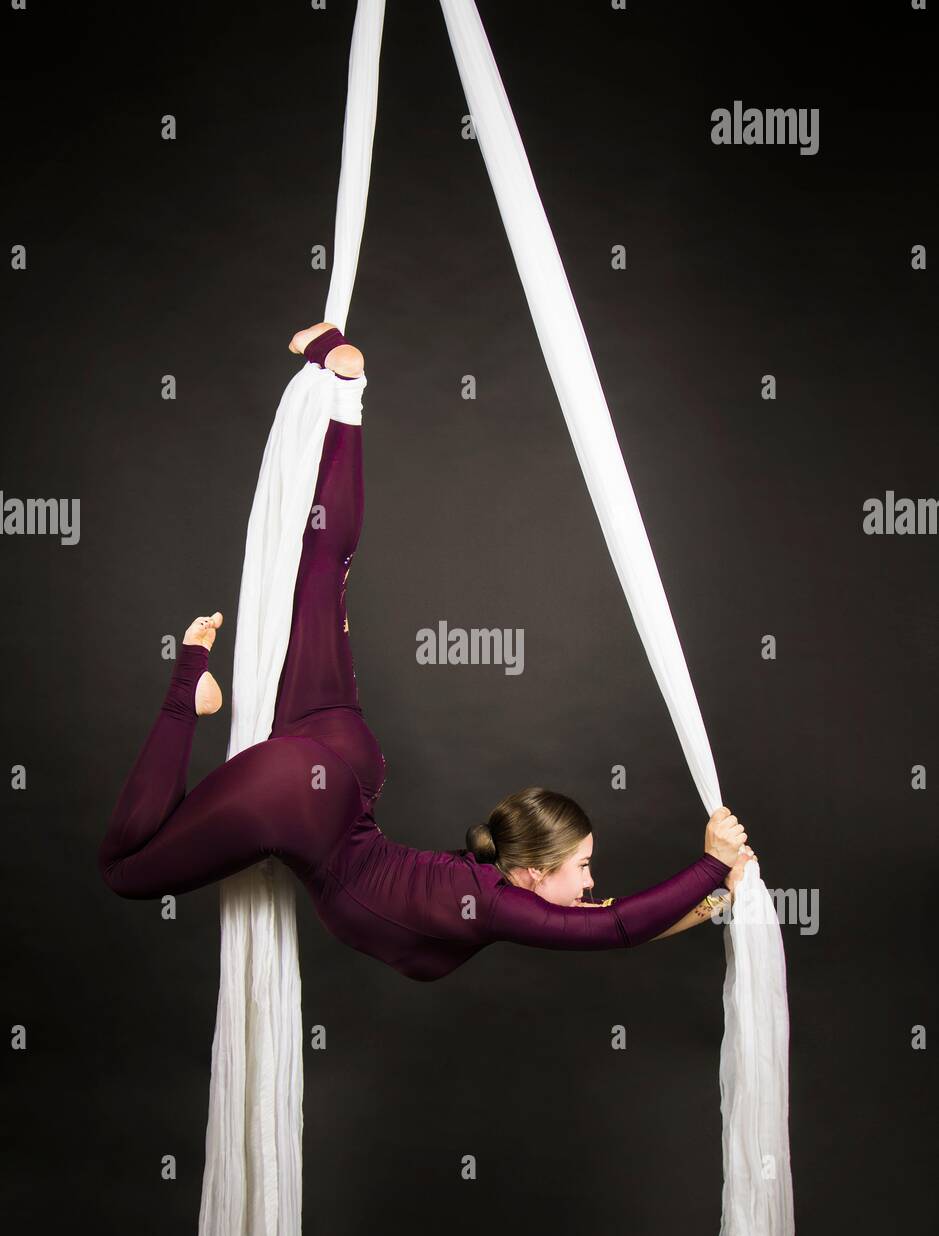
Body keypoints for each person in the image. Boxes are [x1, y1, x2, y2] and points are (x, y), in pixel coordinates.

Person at [98, 324, 757, 983]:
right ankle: (187, 683)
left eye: (584, 867)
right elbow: (614, 925)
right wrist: (711, 868)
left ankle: (348, 386)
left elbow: (616, 922)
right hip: (308, 793)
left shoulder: (491, 895)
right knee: (124, 873)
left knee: (325, 567)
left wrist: (716, 888)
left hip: (340, 765)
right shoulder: (494, 904)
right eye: (582, 868)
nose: (590, 883)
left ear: (529, 871)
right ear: (530, 873)